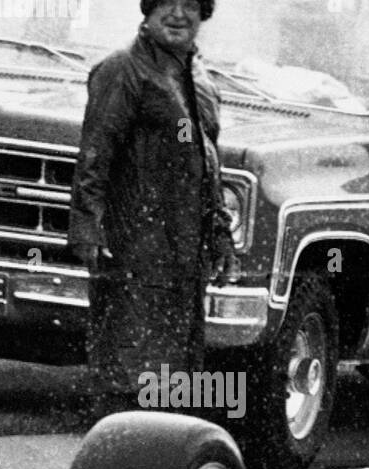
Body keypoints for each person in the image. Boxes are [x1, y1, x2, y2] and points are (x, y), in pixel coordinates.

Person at [69, 0, 235, 412]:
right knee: (127, 376)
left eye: (191, 6)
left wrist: (220, 235)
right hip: (133, 250)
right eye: (168, 4)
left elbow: (207, 162)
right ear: (148, 10)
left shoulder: (198, 77)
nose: (179, 15)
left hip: (184, 256)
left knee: (175, 382)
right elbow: (95, 154)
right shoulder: (122, 69)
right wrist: (88, 225)